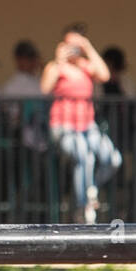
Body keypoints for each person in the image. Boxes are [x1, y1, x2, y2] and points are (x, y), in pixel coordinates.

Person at [41, 27, 122, 223]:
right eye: (70, 45)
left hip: (88, 126)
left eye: (77, 45)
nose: (73, 50)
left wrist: (88, 47)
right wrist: (59, 60)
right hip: (63, 126)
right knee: (84, 155)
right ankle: (82, 207)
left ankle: (90, 188)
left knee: (113, 159)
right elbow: (44, 89)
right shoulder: (55, 67)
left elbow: (104, 75)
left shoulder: (85, 66)